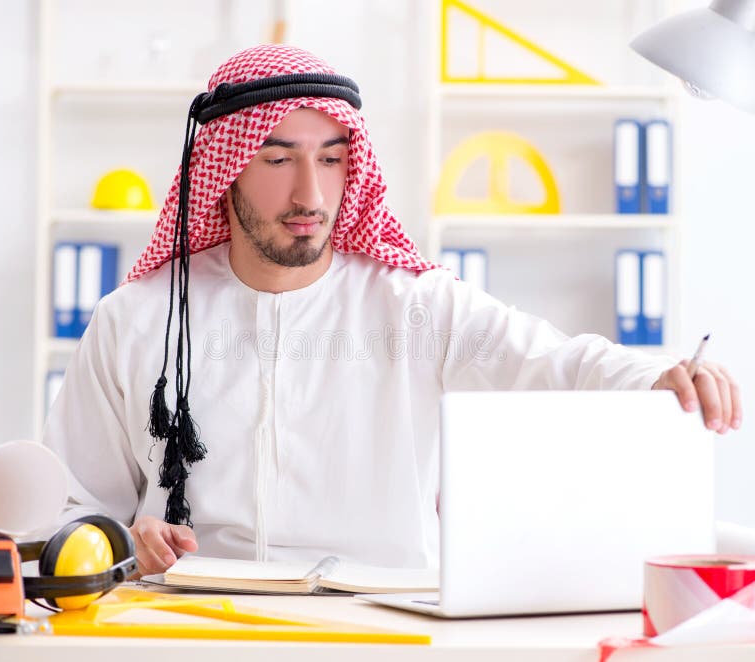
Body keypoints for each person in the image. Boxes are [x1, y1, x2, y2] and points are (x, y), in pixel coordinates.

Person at [43, 44, 741, 578]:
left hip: (386, 628)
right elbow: (71, 506)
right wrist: (125, 539)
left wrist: (657, 379)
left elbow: (554, 360)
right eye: (279, 159)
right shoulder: (133, 320)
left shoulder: (418, 305)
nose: (310, 194)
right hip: (189, 630)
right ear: (223, 172)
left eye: (334, 159)